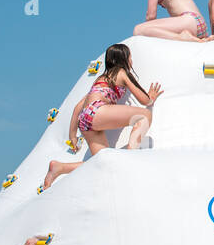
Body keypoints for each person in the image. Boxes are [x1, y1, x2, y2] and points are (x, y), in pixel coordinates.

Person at [44, 44, 161, 190]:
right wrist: (150, 98)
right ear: (123, 59)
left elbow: (77, 108)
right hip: (98, 111)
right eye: (130, 57)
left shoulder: (101, 79)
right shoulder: (121, 72)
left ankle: (59, 168)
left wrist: (72, 135)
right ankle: (132, 153)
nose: (131, 61)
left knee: (103, 161)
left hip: (85, 119)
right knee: (144, 115)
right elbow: (144, 100)